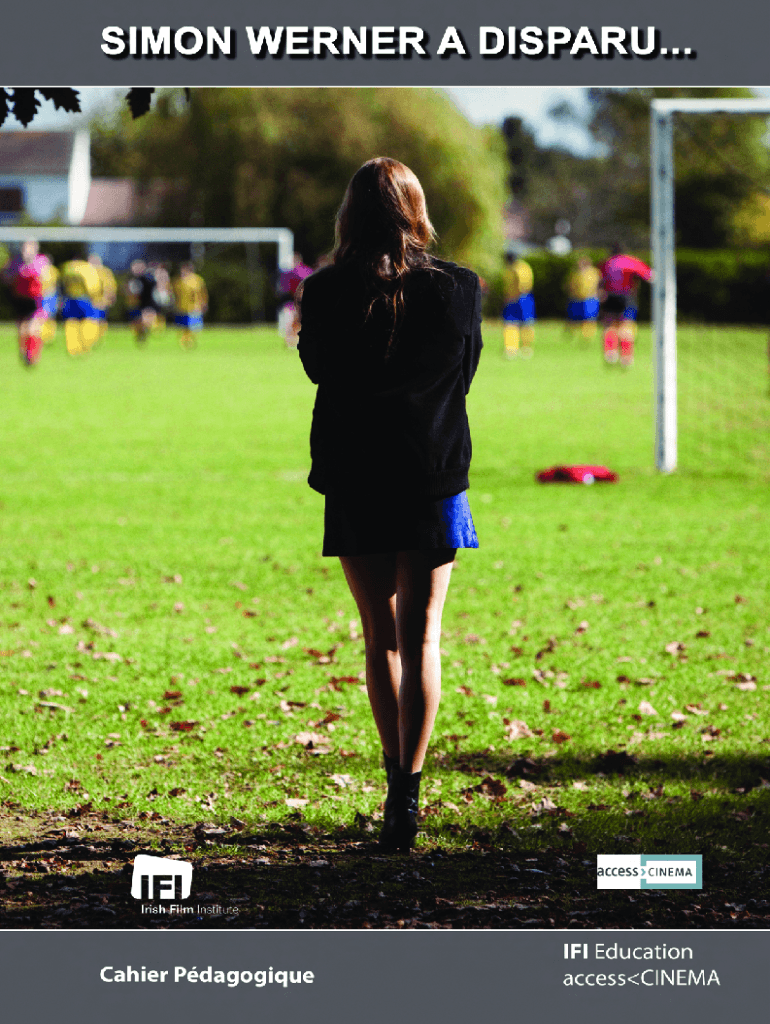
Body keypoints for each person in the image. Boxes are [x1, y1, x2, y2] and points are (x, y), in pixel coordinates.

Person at [298, 157, 482, 854]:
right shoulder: (460, 287)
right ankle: (409, 792)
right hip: (433, 471)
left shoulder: (324, 289)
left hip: (355, 474)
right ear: (416, 210)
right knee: (424, 635)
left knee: (381, 636)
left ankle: (391, 783)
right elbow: (466, 371)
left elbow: (316, 367)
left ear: (350, 215)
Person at [599, 245, 653, 366]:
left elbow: (600, 280)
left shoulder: (607, 263)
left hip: (610, 296)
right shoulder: (631, 261)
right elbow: (649, 275)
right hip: (626, 297)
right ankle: (626, 356)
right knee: (626, 326)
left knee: (609, 325)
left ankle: (610, 353)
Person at [2, 240, 48, 366]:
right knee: (22, 328)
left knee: (33, 327)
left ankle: (33, 355)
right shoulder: (16, 261)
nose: (26, 250)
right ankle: (24, 352)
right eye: (24, 247)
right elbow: (6, 277)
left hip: (35, 299)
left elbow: (44, 276)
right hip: (20, 299)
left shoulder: (40, 260)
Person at [60, 255, 101, 355]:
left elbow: (61, 283)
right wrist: (95, 297)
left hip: (70, 298)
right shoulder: (86, 268)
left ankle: (72, 348)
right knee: (89, 320)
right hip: (83, 298)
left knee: (71, 321)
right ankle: (86, 343)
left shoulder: (67, 267)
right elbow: (93, 286)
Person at [502, 251, 535, 359]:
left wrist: (512, 297)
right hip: (516, 298)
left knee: (524, 324)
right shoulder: (514, 268)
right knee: (512, 324)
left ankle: (523, 348)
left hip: (521, 298)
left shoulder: (519, 268)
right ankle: (513, 348)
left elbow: (523, 286)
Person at [277, 253, 313, 348]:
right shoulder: (308, 271)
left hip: (300, 301)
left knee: (292, 318)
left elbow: (285, 289)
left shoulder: (292, 273)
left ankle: (290, 339)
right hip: (301, 301)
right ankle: (292, 339)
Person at [172, 262, 208, 349]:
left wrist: (203, 304)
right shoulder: (177, 281)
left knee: (195, 328)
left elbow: (202, 293)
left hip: (194, 308)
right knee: (183, 327)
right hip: (181, 308)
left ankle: (189, 341)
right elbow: (173, 294)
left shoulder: (197, 280)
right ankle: (186, 342)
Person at [566, 255, 602, 340]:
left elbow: (599, 284)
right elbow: (571, 285)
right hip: (577, 298)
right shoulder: (576, 273)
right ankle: (571, 334)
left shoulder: (594, 272)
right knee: (574, 318)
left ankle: (587, 335)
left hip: (590, 298)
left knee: (589, 318)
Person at [125, 259, 160, 344]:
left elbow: (154, 287)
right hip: (139, 304)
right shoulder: (134, 279)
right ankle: (142, 333)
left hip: (149, 303)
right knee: (137, 322)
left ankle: (148, 331)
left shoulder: (148, 278)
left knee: (146, 320)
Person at [87, 254, 117, 341]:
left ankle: (98, 336)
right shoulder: (87, 272)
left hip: (101, 300)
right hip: (90, 300)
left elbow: (110, 287)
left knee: (99, 319)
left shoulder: (105, 272)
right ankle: (93, 336)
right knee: (92, 319)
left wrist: (107, 298)